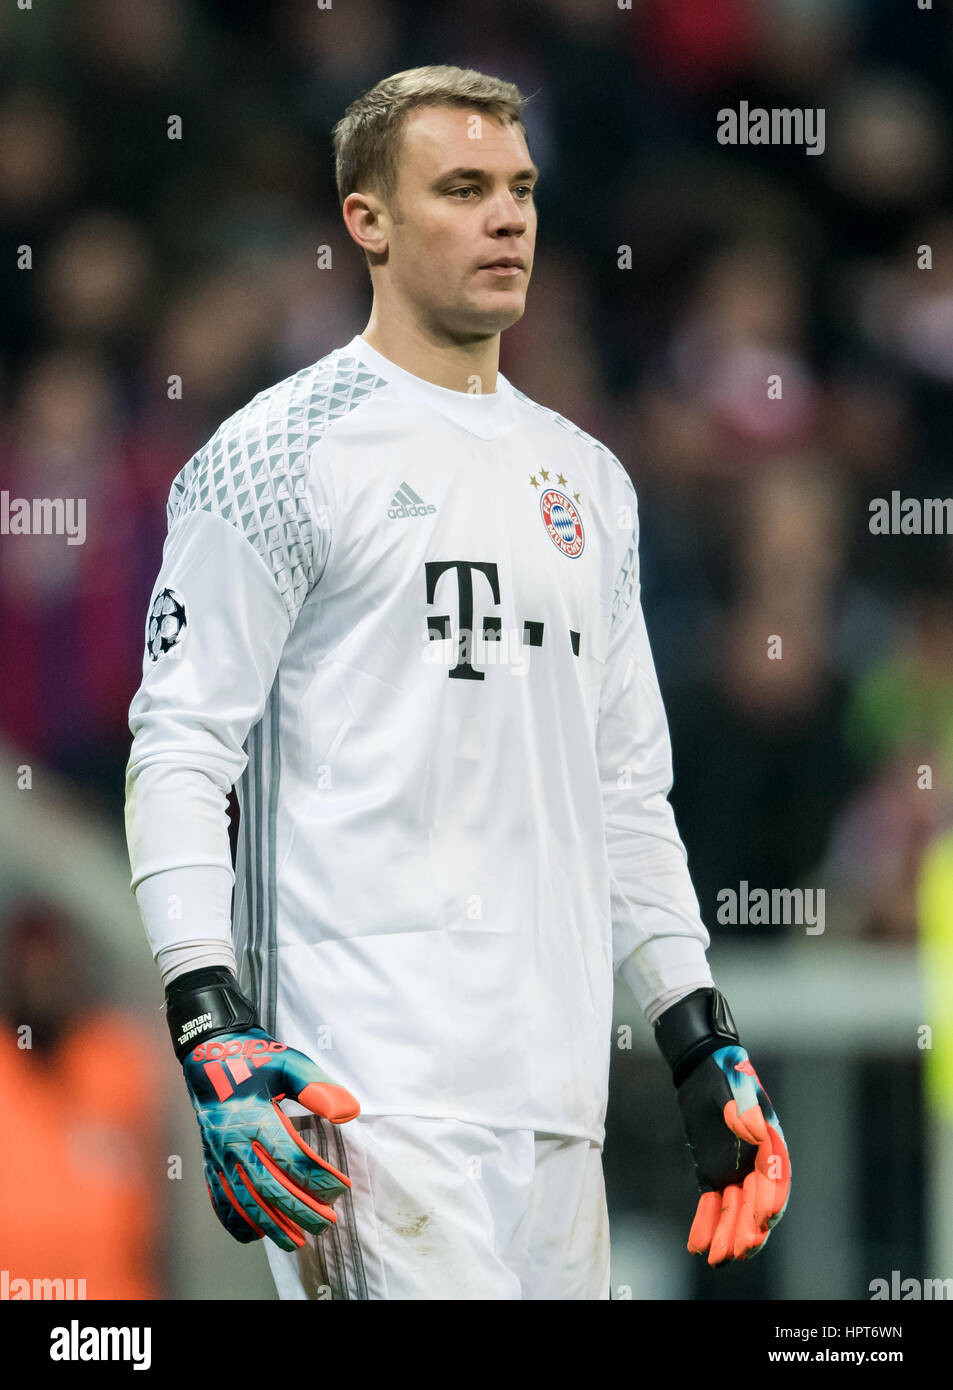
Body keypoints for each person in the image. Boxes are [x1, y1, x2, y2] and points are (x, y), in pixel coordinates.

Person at [124, 64, 790, 1301]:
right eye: (464, 188)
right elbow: (179, 746)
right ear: (365, 219)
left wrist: (696, 1031)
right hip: (366, 1092)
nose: (509, 218)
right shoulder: (276, 454)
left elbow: (624, 791)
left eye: (522, 190)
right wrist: (209, 1018)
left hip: (553, 1101)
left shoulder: (587, 478)